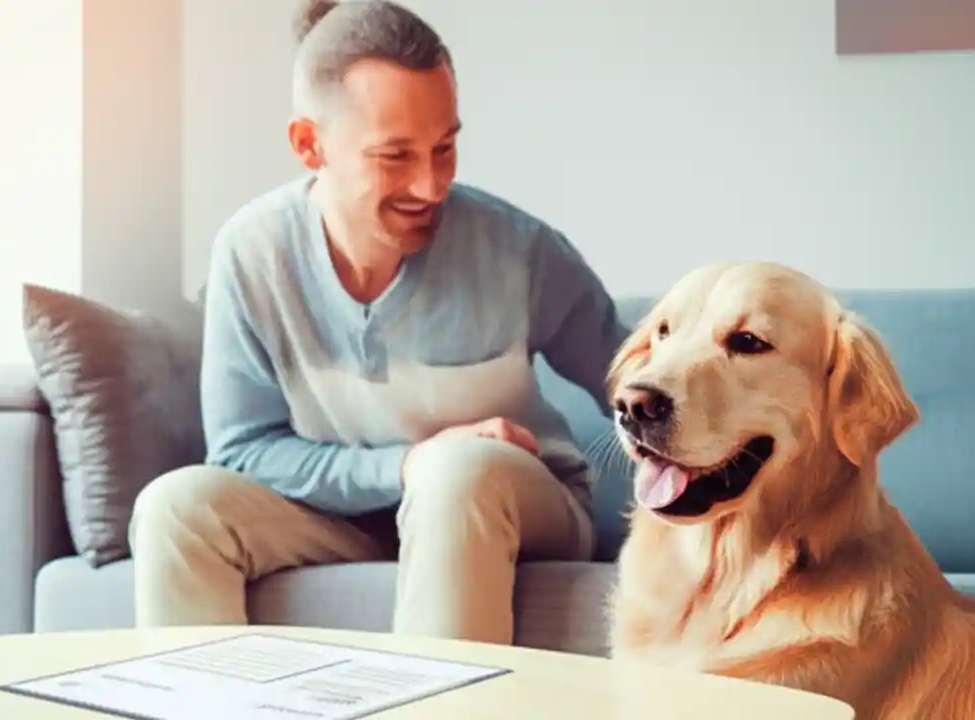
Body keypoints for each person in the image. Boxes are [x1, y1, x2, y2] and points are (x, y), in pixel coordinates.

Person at [128, 0, 629, 645]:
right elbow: (243, 451)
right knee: (174, 507)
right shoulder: (252, 254)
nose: (432, 185)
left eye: (445, 147)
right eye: (395, 156)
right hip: (346, 518)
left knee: (455, 473)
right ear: (310, 145)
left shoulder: (519, 250)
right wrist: (406, 465)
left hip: (513, 503)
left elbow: (636, 383)